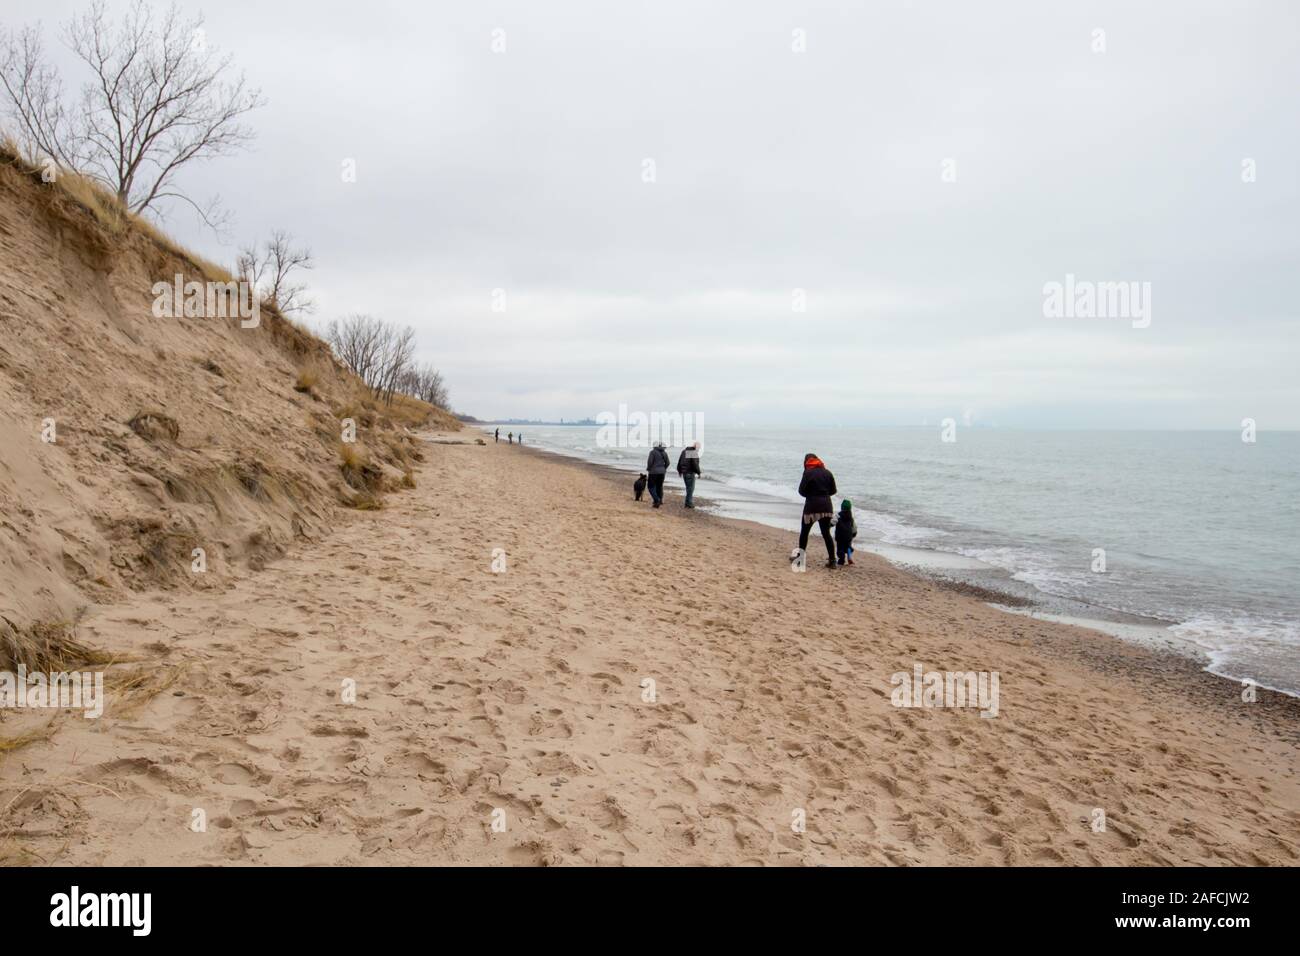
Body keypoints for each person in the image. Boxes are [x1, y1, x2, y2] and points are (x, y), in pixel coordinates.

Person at [794, 452, 837, 569]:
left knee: (805, 533)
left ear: (806, 462)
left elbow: (801, 491)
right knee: (826, 533)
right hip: (826, 507)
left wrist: (812, 495)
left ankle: (800, 559)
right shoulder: (828, 473)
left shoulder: (807, 473)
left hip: (811, 507)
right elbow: (833, 491)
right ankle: (832, 561)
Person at [676, 441, 701, 508]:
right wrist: (699, 472)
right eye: (698, 448)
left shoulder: (684, 451)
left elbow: (679, 461)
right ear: (696, 447)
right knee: (690, 489)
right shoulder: (693, 452)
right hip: (690, 473)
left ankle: (687, 503)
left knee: (688, 488)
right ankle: (689, 503)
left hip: (684, 473)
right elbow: (695, 464)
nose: (699, 449)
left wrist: (679, 471)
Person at [646, 442, 670, 508]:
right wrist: (663, 468)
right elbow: (668, 463)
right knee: (659, 486)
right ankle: (659, 501)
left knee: (650, 487)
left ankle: (657, 500)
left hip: (653, 472)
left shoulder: (652, 452)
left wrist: (648, 468)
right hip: (662, 473)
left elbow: (650, 462)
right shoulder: (664, 453)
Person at [834, 499, 857, 566]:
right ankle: (849, 557)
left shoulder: (838, 515)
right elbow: (854, 527)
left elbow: (833, 521)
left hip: (840, 536)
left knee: (840, 549)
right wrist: (854, 534)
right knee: (848, 546)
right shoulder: (851, 517)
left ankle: (841, 560)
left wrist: (829, 525)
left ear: (842, 507)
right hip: (848, 536)